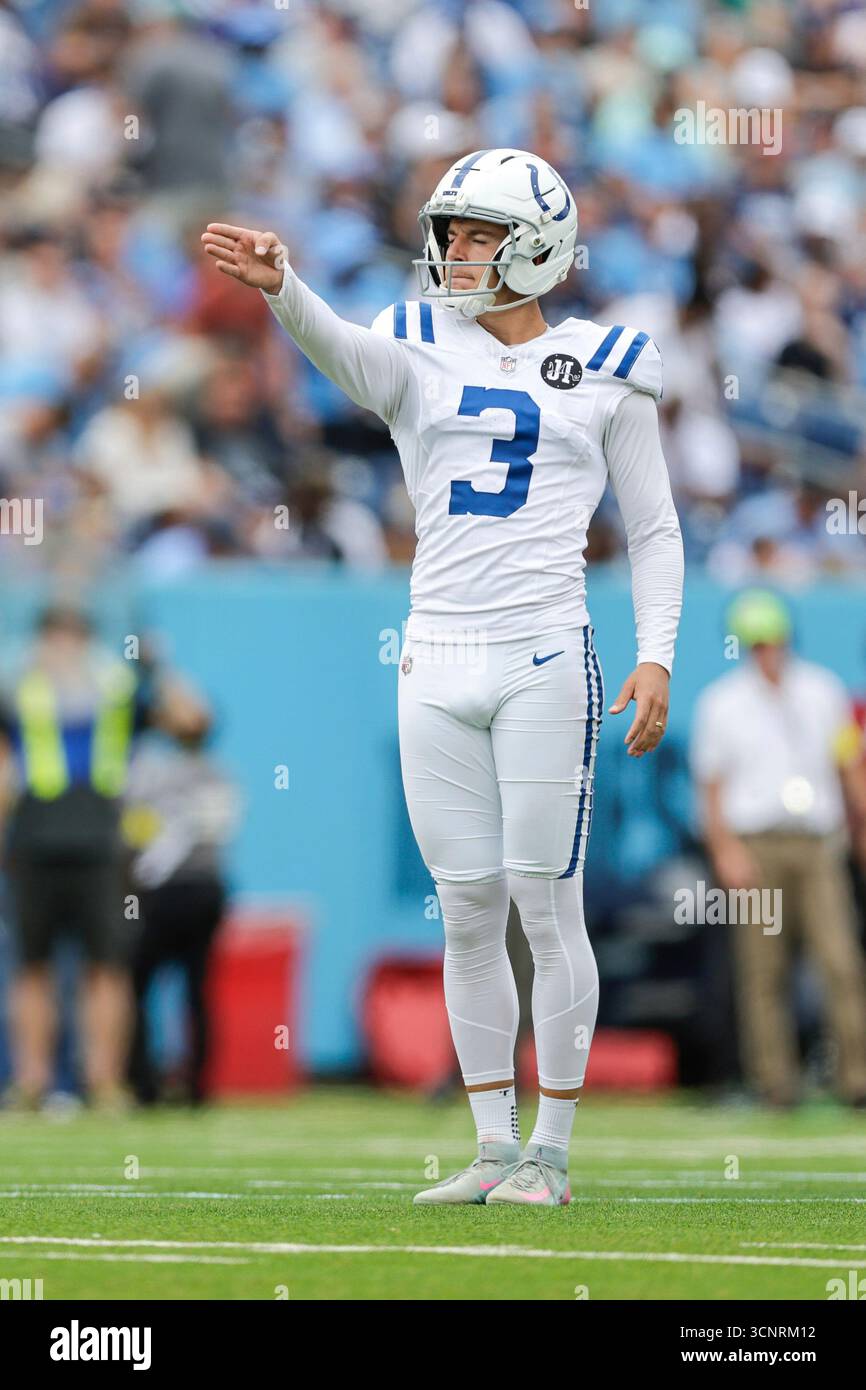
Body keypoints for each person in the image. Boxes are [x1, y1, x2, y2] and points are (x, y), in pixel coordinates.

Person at [201, 148, 684, 1205]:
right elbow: (336, 348)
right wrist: (286, 285)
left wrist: (655, 653)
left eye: (474, 235)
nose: (452, 252)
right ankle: (487, 1143)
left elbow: (650, 526)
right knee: (465, 907)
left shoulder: (606, 362)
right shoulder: (416, 346)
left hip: (545, 650)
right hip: (434, 652)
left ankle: (550, 1153)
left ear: (536, 246)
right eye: (449, 232)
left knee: (542, 903)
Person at [0, 606, 205, 1109]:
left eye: (73, 638)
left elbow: (192, 723)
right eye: (55, 638)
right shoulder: (19, 690)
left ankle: (104, 1082)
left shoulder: (116, 689)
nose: (64, 650)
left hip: (103, 846)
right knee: (32, 965)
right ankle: (31, 1083)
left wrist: (159, 669)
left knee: (106, 965)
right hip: (32, 842)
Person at [691, 589, 866, 1109]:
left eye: (774, 640)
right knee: (763, 969)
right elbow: (712, 787)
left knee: (840, 960)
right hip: (757, 844)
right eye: (759, 642)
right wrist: (725, 849)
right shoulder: (722, 703)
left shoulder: (822, 691)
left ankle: (856, 1080)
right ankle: (775, 1083)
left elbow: (848, 768)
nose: (769, 650)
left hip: (817, 843)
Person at [124, 697, 240, 1107]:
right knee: (195, 988)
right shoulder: (220, 775)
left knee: (142, 983)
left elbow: (136, 827)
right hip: (206, 889)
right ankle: (196, 1086)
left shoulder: (154, 770)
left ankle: (146, 1083)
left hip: (168, 891)